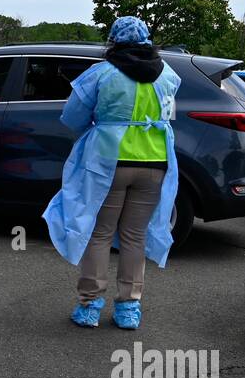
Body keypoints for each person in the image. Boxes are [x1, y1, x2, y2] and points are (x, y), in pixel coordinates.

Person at [42, 17, 180, 330]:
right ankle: (129, 308)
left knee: (100, 233)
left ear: (113, 41)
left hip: (109, 162)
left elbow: (73, 116)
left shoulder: (102, 73)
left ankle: (90, 305)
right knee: (135, 237)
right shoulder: (168, 75)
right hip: (154, 162)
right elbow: (170, 114)